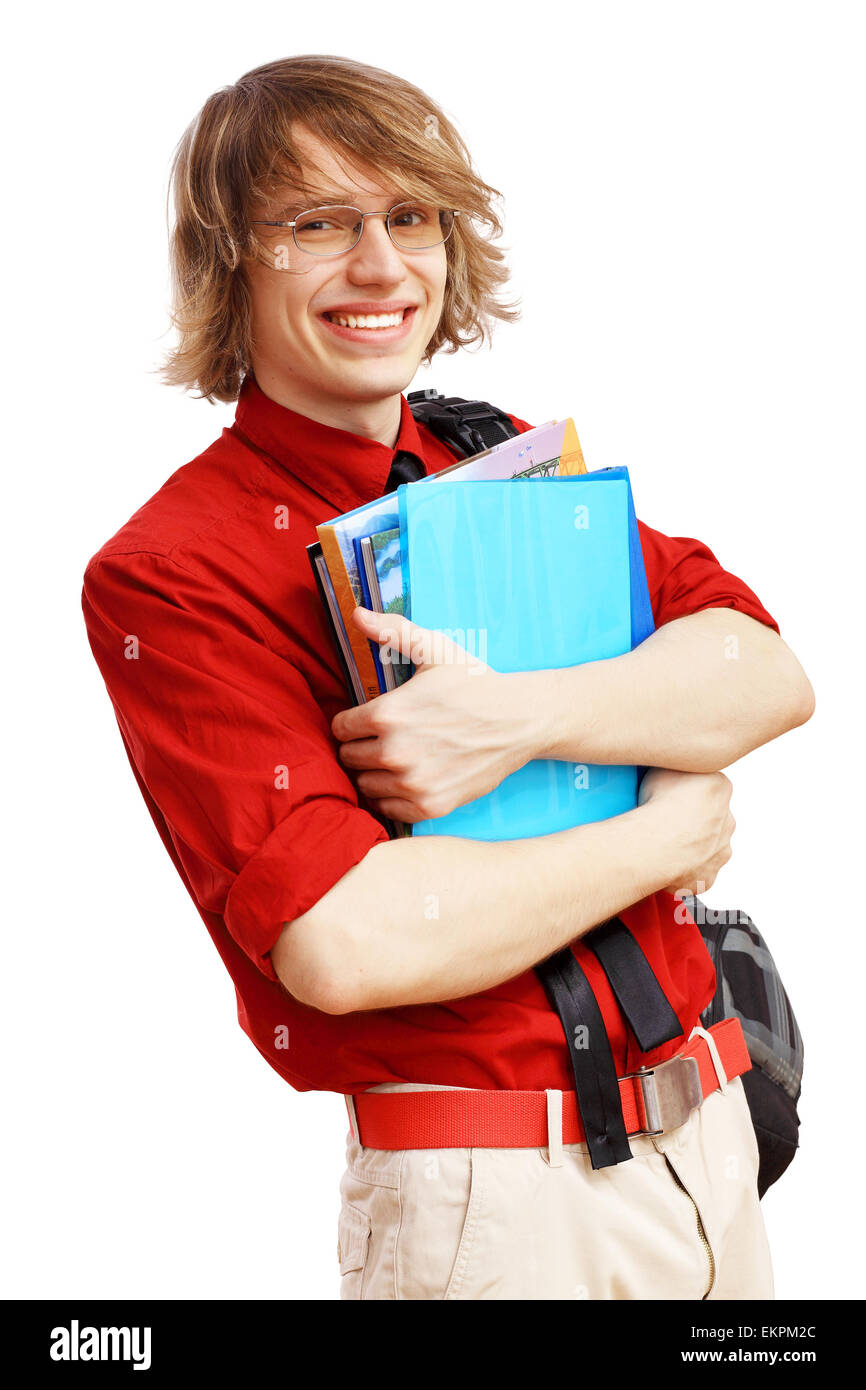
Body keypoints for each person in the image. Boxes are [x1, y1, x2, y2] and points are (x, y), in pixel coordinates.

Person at [81, 54, 815, 1301]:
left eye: (408, 218)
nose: (380, 268)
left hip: (714, 1145)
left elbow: (760, 672)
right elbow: (345, 940)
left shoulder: (492, 462)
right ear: (227, 264)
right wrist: (668, 828)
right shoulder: (170, 570)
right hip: (501, 1207)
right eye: (316, 224)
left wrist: (513, 721)